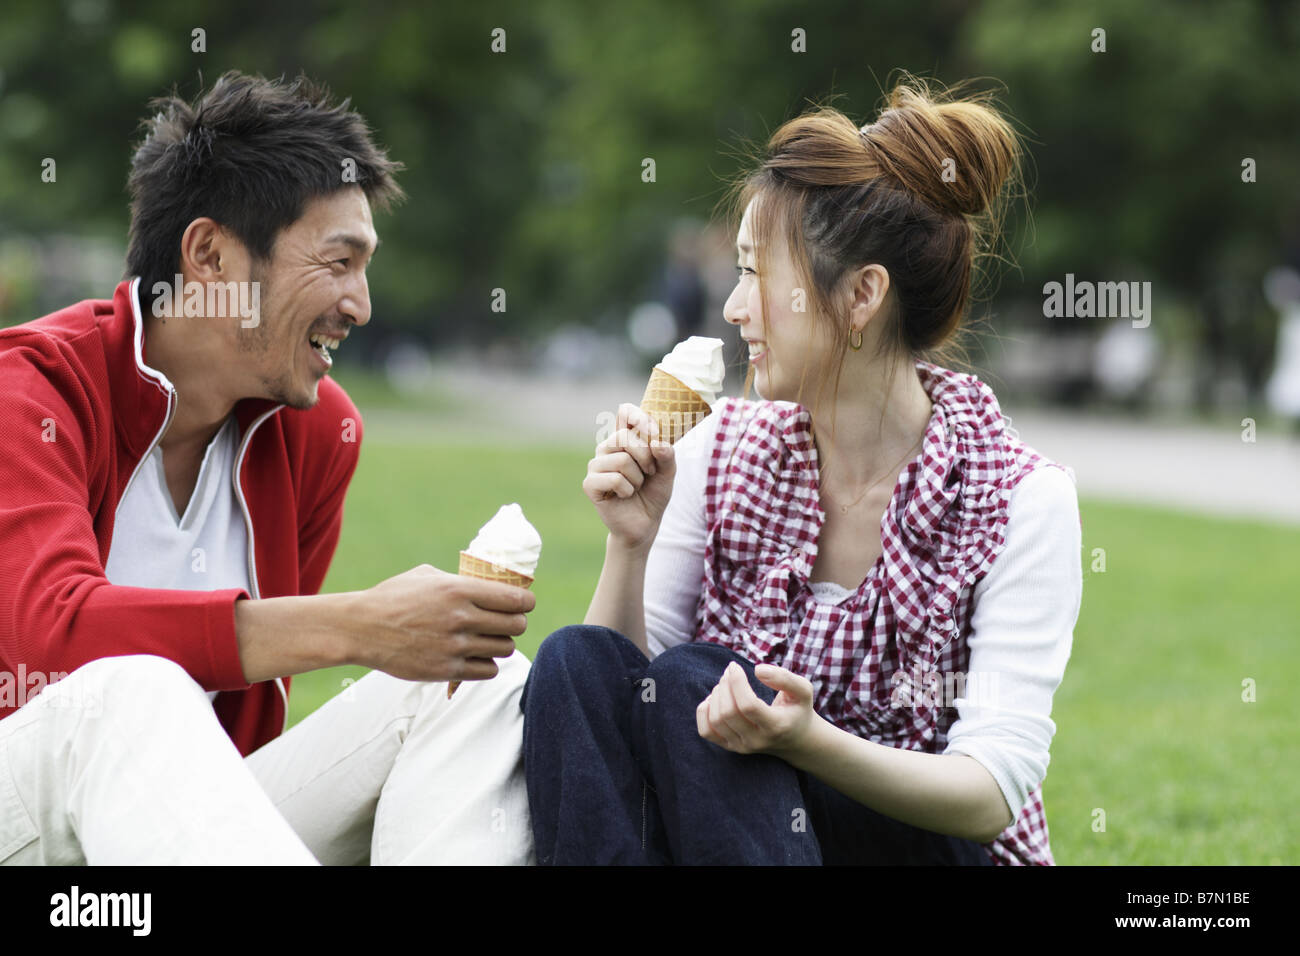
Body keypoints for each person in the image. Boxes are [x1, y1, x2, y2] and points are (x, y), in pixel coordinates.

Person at [521, 78, 1083, 865]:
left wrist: (811, 742)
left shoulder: (1017, 498)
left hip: (928, 848)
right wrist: (629, 543)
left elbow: (989, 793)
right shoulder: (718, 451)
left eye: (756, 274)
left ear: (862, 296)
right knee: (573, 661)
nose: (733, 308)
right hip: (742, 834)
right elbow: (628, 703)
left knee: (700, 681)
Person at [0, 71, 535, 865]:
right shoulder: (29, 392)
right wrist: (361, 627)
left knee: (475, 675)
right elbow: (52, 636)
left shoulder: (319, 434)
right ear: (210, 255)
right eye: (338, 261)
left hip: (175, 837)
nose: (361, 304)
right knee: (135, 686)